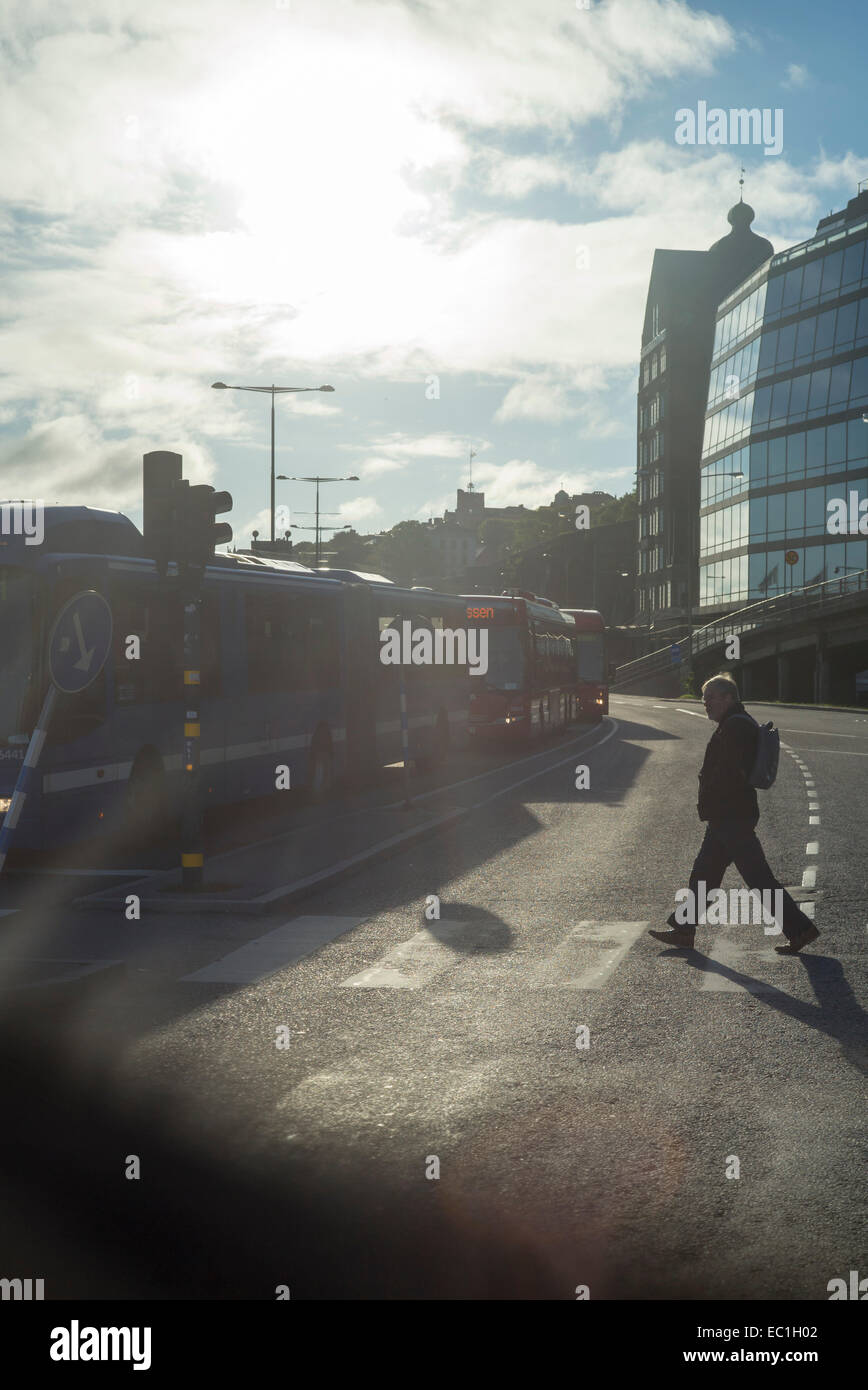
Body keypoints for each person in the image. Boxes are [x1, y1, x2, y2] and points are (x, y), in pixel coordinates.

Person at [649, 673, 820, 954]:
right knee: (705, 875)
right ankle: (684, 929)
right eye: (704, 699)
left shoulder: (736, 727)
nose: (706, 704)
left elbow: (730, 772)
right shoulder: (733, 723)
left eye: (712, 698)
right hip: (726, 816)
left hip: (732, 816)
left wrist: (713, 796)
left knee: (758, 878)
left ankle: (801, 930)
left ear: (729, 697)